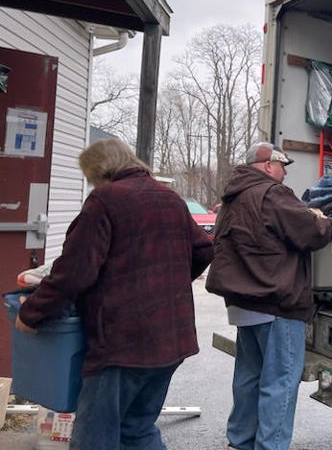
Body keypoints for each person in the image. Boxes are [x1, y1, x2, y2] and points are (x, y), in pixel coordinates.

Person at [15, 138, 213, 450]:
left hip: (123, 345)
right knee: (137, 431)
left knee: (94, 440)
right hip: (172, 340)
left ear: (98, 171)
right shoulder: (170, 198)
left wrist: (32, 313)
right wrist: (168, 283)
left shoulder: (105, 201)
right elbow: (203, 250)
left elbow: (74, 272)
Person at [205, 142, 332, 450]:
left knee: (249, 377)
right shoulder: (271, 193)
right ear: (267, 165)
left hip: (244, 304)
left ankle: (240, 441)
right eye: (282, 165)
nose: (285, 172)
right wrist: (329, 224)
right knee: (280, 382)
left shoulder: (234, 198)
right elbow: (309, 231)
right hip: (276, 304)